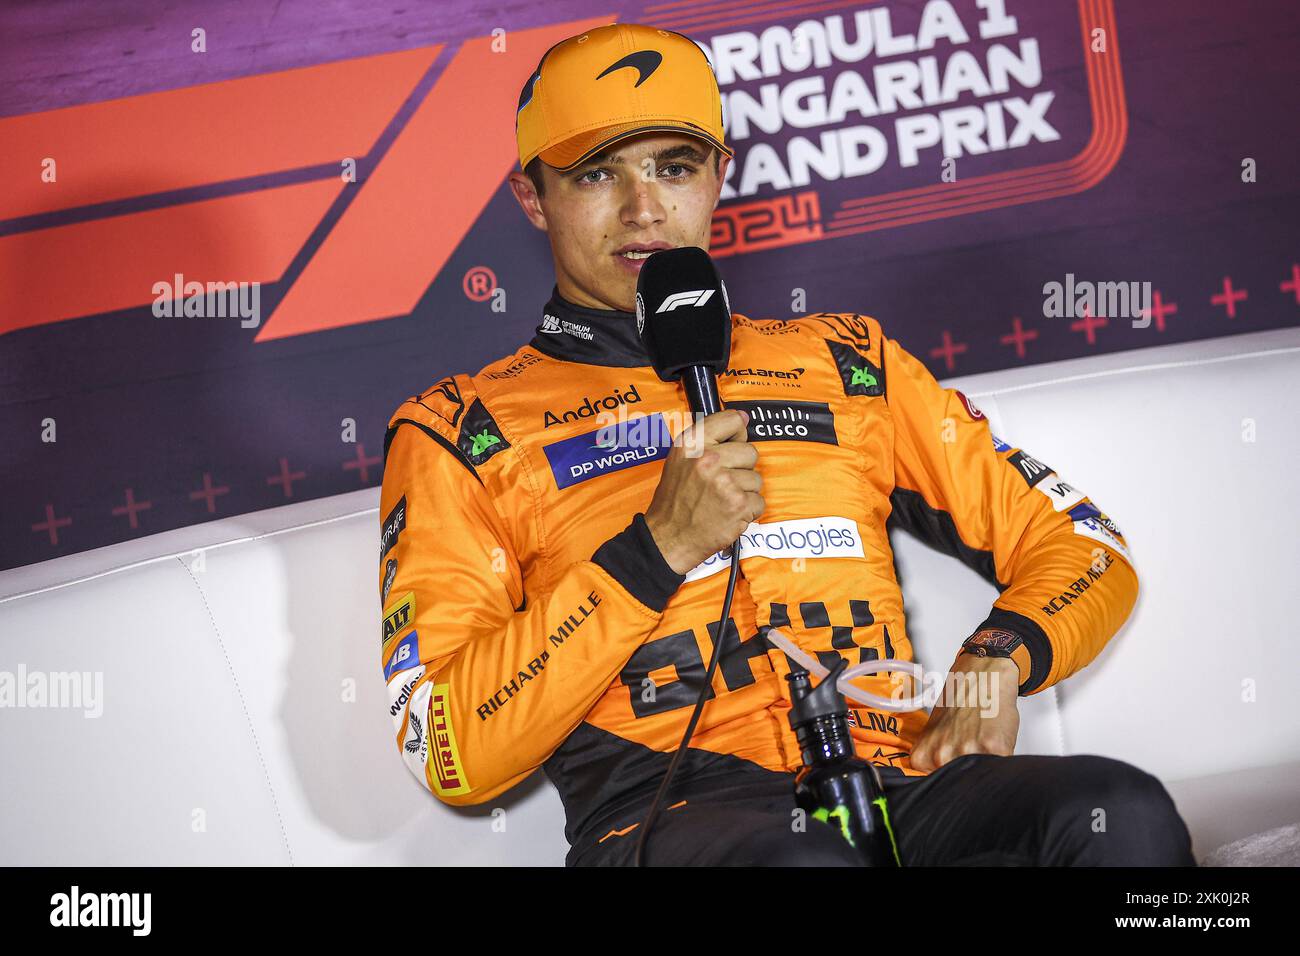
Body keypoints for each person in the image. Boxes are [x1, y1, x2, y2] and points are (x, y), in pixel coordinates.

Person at [377, 22, 1194, 866]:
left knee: (1117, 810)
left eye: (673, 166)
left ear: (720, 177)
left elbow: (1085, 545)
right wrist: (654, 550)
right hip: (667, 822)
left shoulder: (844, 363)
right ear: (532, 196)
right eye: (596, 174)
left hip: (898, 786)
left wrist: (997, 659)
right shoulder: (459, 431)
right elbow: (446, 748)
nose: (644, 209)